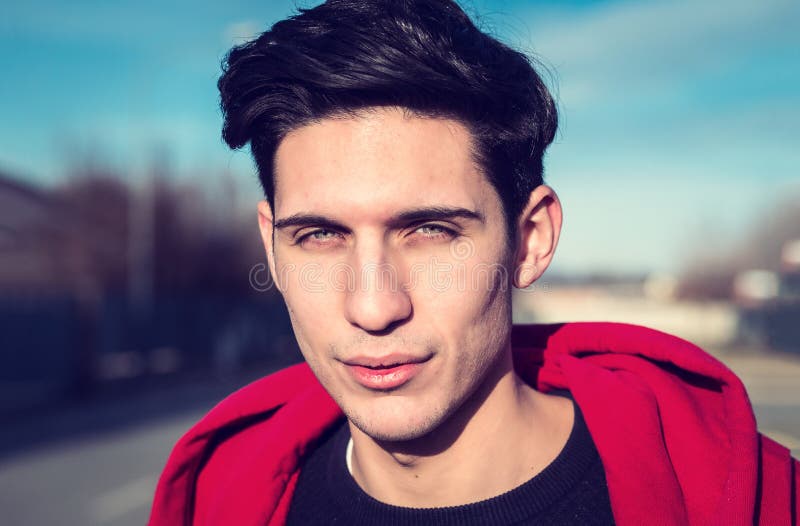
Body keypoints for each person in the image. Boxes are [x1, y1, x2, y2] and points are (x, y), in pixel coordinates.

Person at [148, 1, 799, 524]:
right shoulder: (218, 503)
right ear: (272, 247)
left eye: (430, 231)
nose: (372, 307)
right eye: (320, 236)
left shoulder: (757, 501)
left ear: (531, 240)